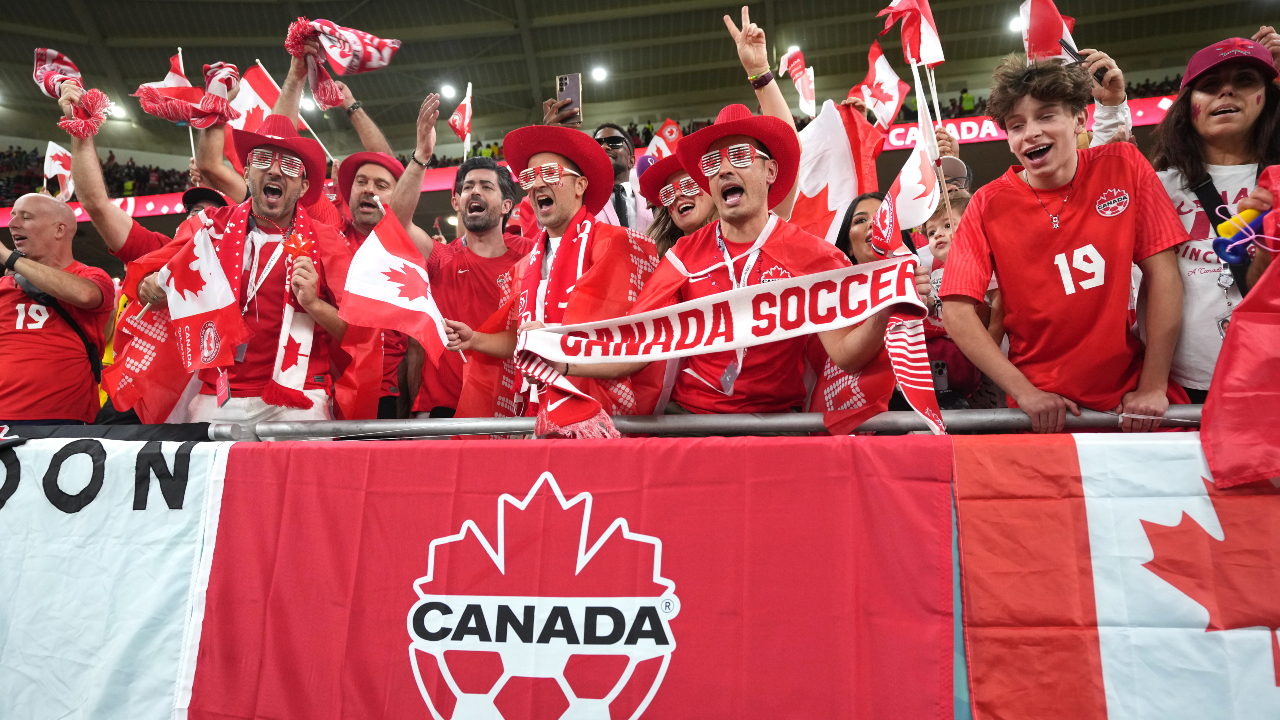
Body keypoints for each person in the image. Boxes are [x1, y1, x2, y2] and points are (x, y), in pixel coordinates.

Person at [941, 54, 1188, 434]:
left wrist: (1153, 384)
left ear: (1079, 120)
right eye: (1016, 125)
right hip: (1042, 410)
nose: (1031, 133)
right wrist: (1023, 392)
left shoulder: (1123, 164)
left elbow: (1164, 274)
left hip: (1131, 397)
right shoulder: (986, 204)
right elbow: (956, 311)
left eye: (1046, 116)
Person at [136, 114, 357, 423]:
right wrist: (153, 288)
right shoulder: (208, 229)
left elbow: (357, 333)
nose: (276, 170)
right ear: (247, 170)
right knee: (204, 470)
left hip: (298, 394)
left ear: (304, 185)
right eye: (263, 159)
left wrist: (314, 305)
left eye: (290, 165)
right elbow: (147, 288)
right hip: (219, 393)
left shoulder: (328, 241)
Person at [443, 121, 661, 434]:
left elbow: (635, 342)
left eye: (550, 174)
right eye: (530, 177)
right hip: (536, 414)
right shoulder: (523, 267)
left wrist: (555, 348)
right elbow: (522, 339)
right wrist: (475, 338)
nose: (536, 185)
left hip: (602, 420)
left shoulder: (620, 244)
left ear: (580, 185)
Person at [1148, 34, 1280, 403]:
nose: (1226, 92)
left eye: (1245, 81)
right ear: (1187, 104)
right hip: (1181, 381)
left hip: (1270, 375)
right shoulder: (1157, 186)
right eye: (1209, 86)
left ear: (1267, 98)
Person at [388, 98, 535, 417]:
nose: (474, 192)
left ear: (507, 206)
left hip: (510, 414)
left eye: (486, 185)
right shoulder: (441, 257)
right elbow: (397, 224)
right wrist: (421, 157)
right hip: (444, 413)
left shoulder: (530, 256)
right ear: (456, 203)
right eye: (467, 187)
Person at [0, 194, 114, 425]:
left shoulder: (91, 277)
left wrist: (7, 257)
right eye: (12, 216)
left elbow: (85, 295)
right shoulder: (4, 286)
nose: (12, 224)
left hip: (63, 421)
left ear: (60, 230)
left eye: (26, 217)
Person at [638, 153, 718, 258]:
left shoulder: (742, 246)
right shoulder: (658, 261)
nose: (677, 194)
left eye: (689, 185)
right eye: (668, 193)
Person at [593, 122, 653, 231]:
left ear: (631, 161)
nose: (604, 147)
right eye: (597, 144)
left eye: (614, 142)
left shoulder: (653, 206)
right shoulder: (582, 203)